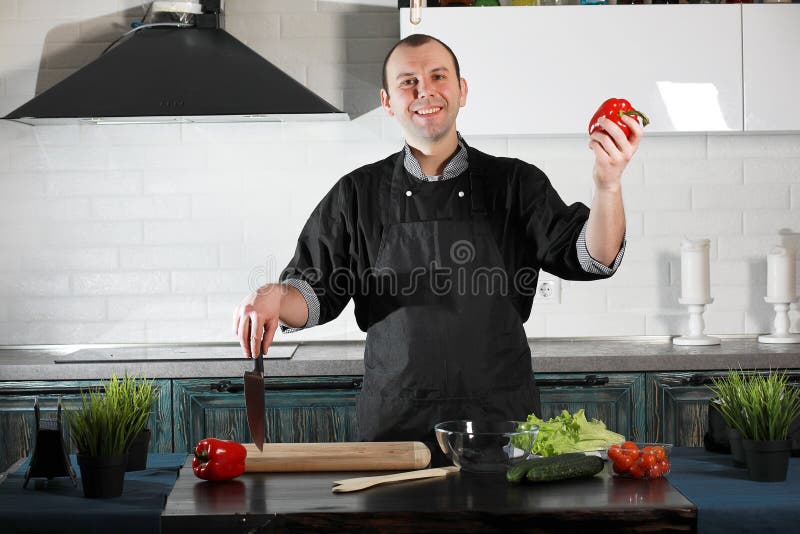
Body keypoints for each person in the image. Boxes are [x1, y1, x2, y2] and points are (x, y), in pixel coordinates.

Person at [233, 34, 642, 449]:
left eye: (437, 76)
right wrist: (272, 296)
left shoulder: (516, 183)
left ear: (462, 90)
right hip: (395, 431)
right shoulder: (356, 194)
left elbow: (593, 256)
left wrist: (608, 185)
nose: (424, 90)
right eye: (407, 81)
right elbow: (315, 293)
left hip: (500, 427)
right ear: (388, 101)